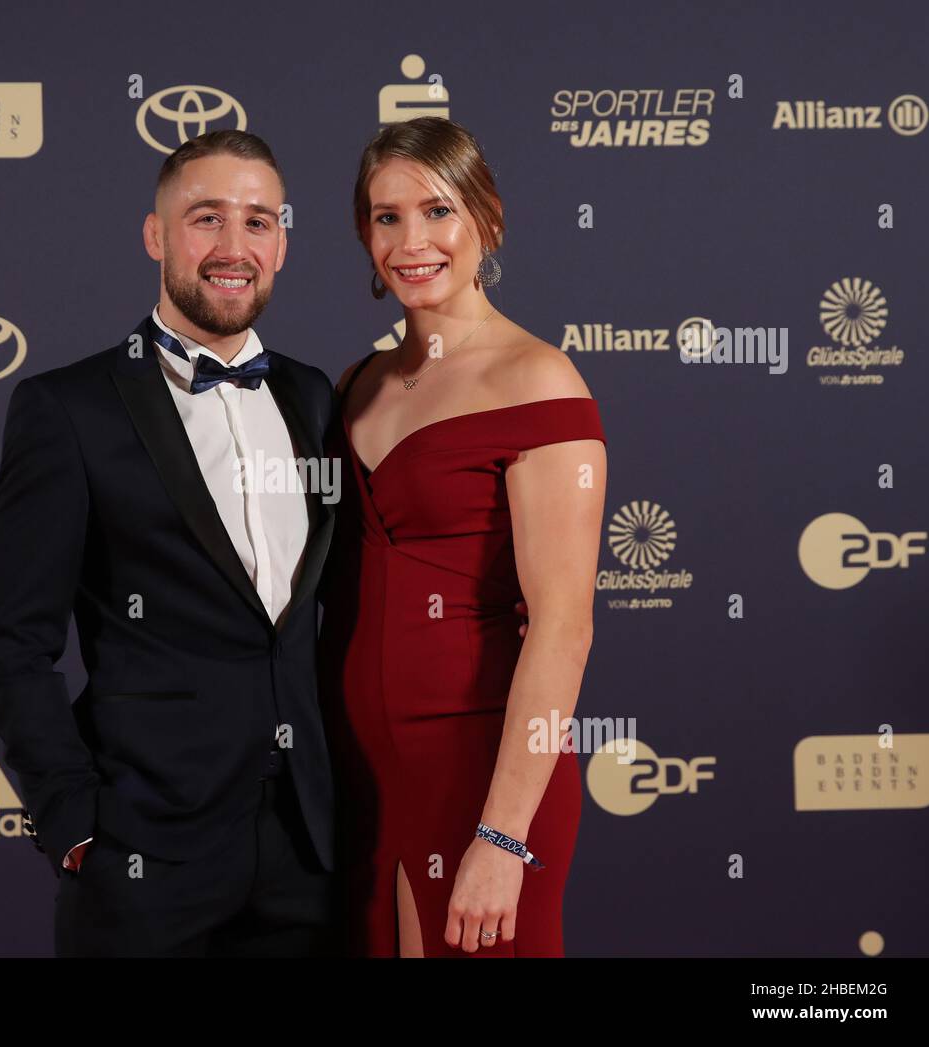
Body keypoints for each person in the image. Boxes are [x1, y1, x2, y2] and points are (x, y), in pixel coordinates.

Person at [0, 130, 340, 957]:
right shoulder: (69, 408)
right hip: (143, 853)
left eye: (258, 221)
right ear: (155, 235)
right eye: (206, 218)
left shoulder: (315, 398)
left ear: (282, 240)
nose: (233, 247)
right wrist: (71, 820)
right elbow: (13, 645)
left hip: (306, 852)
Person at [318, 116, 608, 957]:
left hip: (483, 773)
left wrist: (504, 836)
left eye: (437, 210)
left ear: (487, 217)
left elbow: (564, 624)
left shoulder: (538, 379)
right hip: (364, 779)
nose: (412, 241)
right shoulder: (356, 383)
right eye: (386, 216)